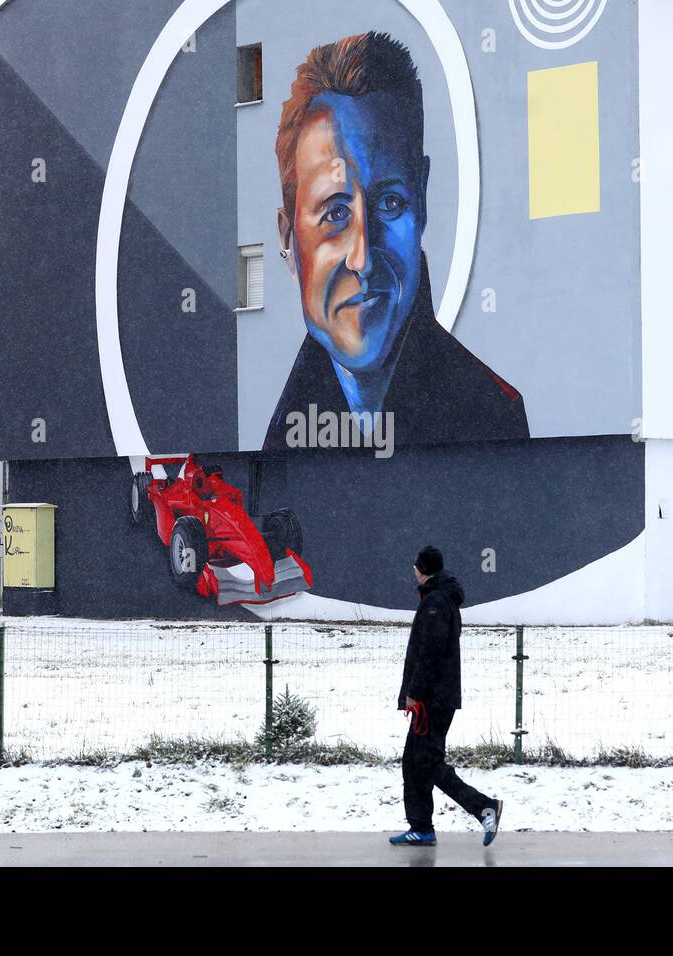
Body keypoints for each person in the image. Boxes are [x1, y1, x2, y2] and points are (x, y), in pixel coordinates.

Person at [264, 31, 528, 450]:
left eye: (389, 203)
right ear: (288, 240)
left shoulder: (492, 417)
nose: (362, 258)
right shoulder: (274, 444)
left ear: (421, 200)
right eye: (334, 214)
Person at [391, 545, 503, 847]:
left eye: (416, 567)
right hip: (436, 696)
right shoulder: (439, 598)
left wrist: (414, 693)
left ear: (422, 570)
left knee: (426, 762)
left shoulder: (435, 603)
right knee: (414, 761)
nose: (413, 571)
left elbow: (429, 653)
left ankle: (483, 808)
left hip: (432, 699)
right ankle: (421, 828)